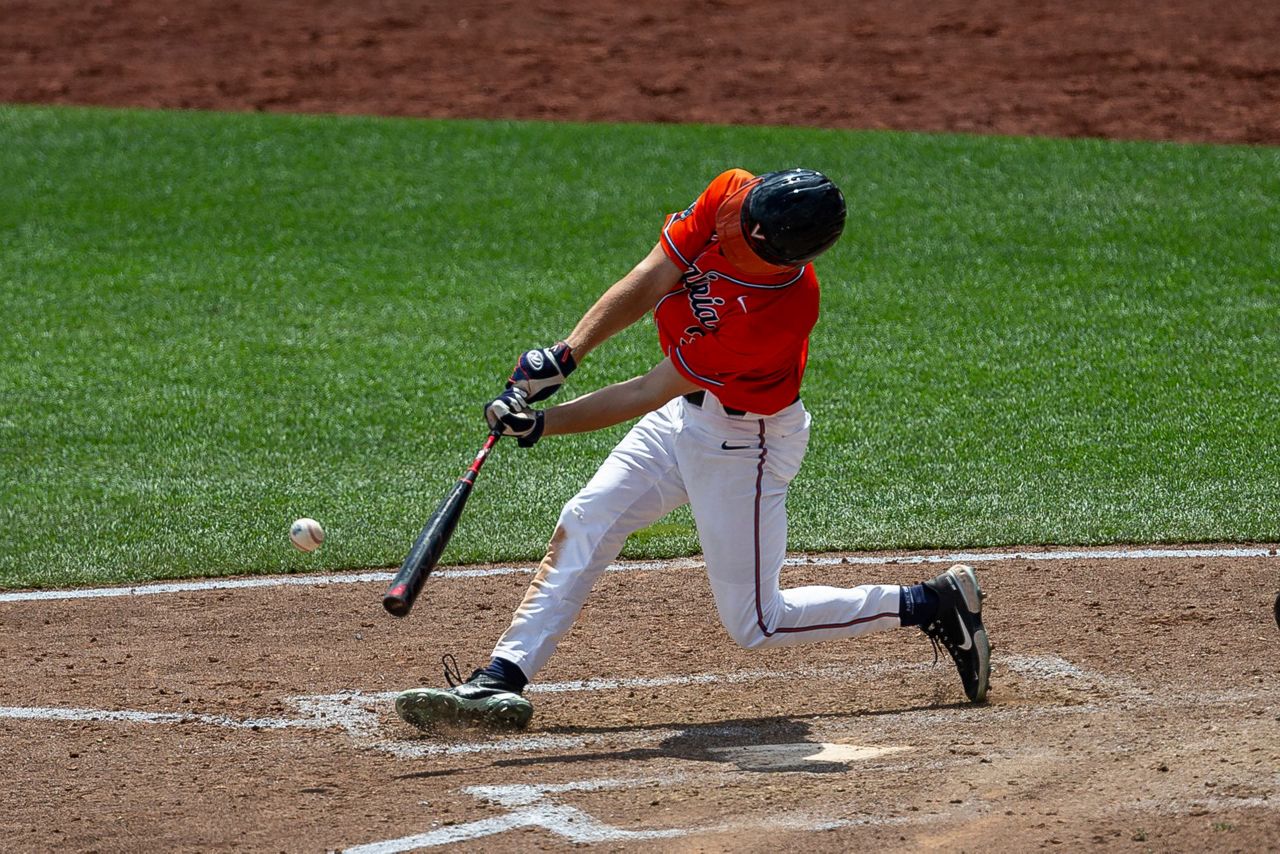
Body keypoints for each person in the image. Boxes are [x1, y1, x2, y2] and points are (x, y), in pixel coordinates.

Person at [395, 168, 990, 731]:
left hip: (745, 444)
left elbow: (648, 388)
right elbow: (653, 275)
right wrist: (565, 354)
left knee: (756, 622)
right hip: (684, 420)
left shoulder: (780, 314)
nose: (728, 237)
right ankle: (501, 678)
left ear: (785, 255)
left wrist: (541, 424)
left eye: (746, 241)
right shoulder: (734, 193)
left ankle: (929, 602)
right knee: (586, 518)